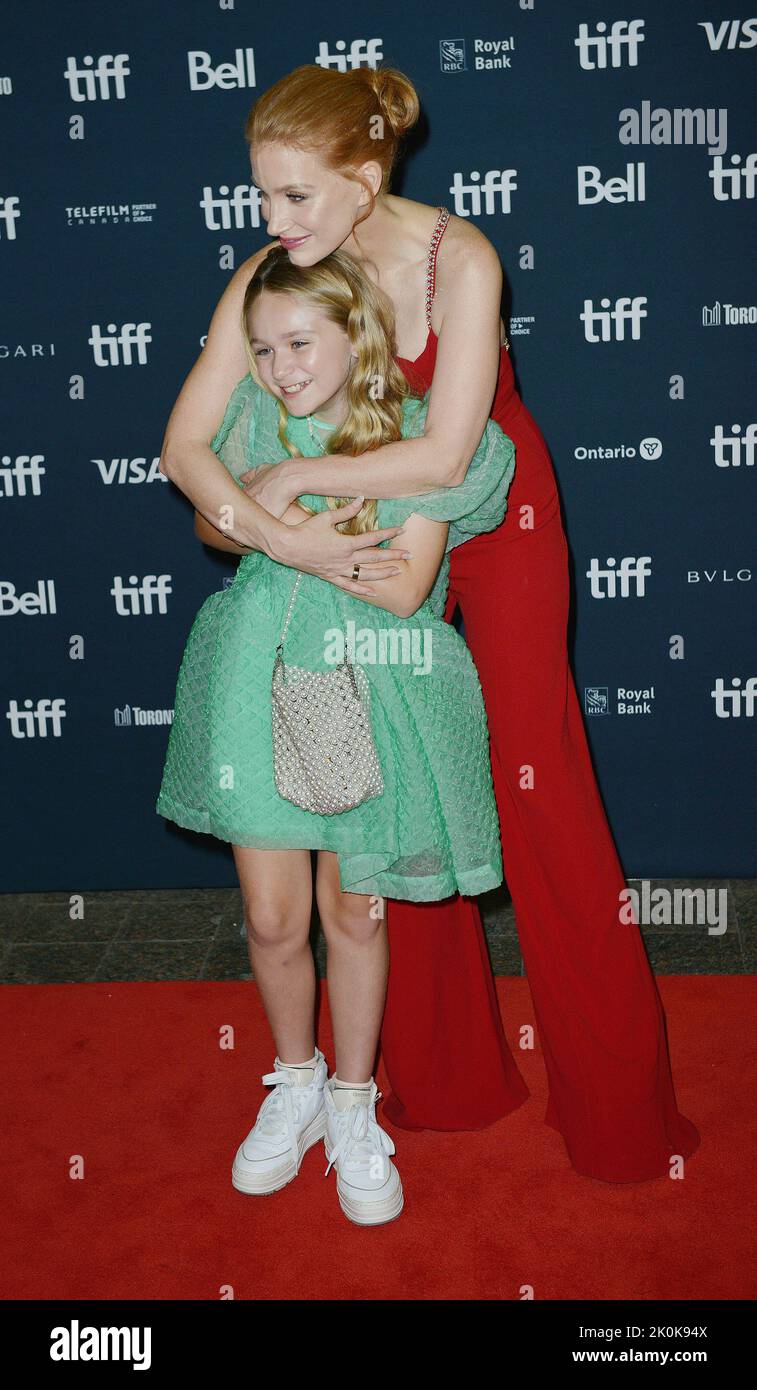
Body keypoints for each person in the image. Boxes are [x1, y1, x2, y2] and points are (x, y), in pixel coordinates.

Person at [160, 63, 700, 1184]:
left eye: (297, 197)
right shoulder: (268, 274)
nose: (273, 221)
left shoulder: (463, 259)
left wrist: (291, 492)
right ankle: (437, 1085)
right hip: (344, 528)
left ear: (363, 180)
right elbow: (186, 449)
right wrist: (275, 529)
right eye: (262, 196)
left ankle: (616, 1113)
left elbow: (449, 457)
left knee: (537, 785)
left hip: (489, 518)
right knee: (390, 791)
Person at [155, 245, 516, 1225]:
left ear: (355, 331)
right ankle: (296, 1079)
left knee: (355, 911)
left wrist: (288, 523)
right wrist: (274, 521)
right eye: (262, 347)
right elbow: (209, 526)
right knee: (274, 918)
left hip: (378, 683)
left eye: (298, 341)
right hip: (256, 676)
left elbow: (402, 584)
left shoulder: (416, 432)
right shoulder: (249, 418)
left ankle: (354, 1100)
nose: (278, 366)